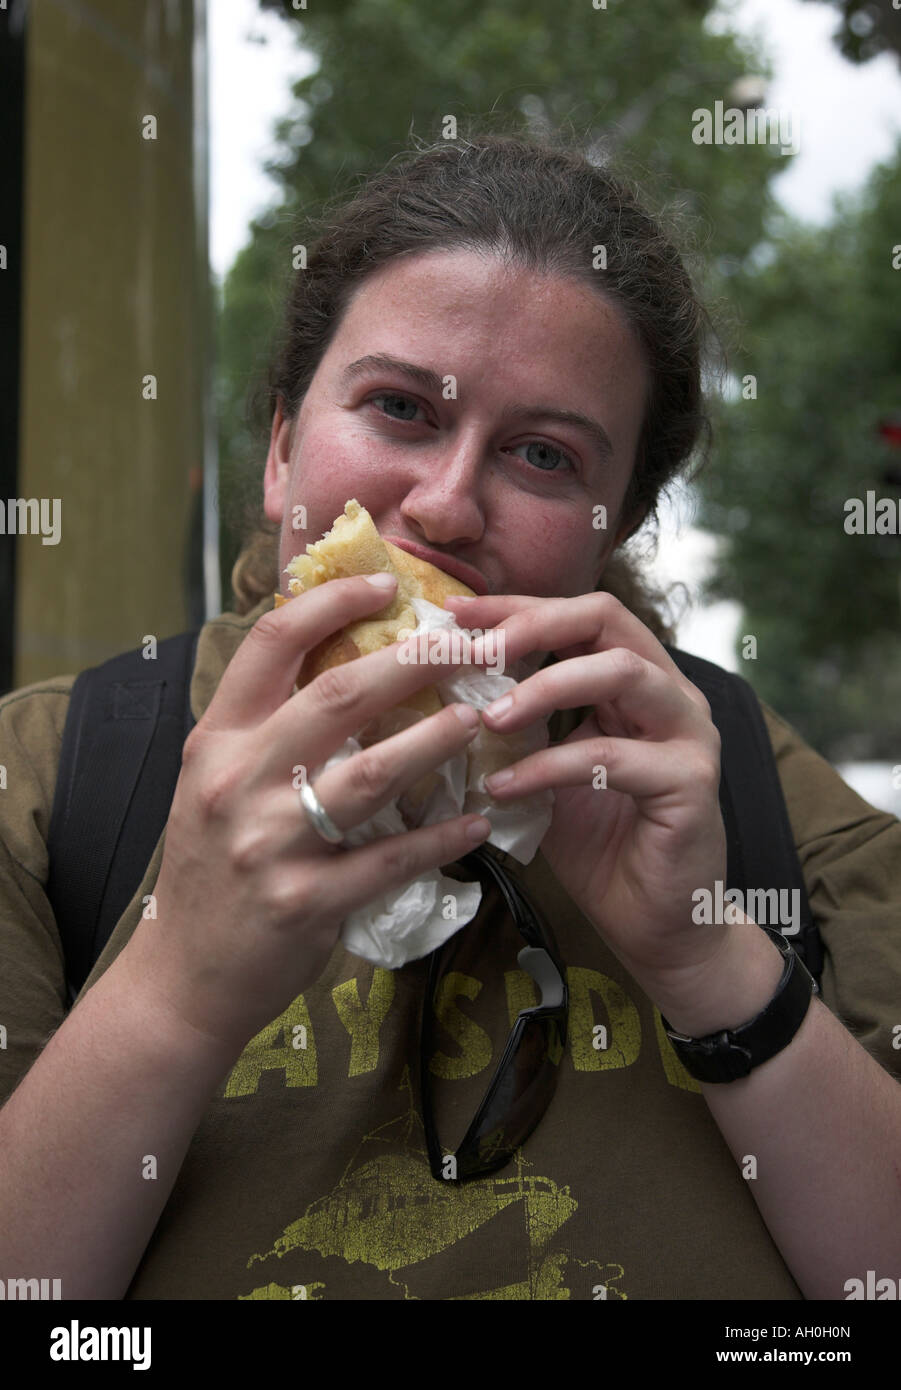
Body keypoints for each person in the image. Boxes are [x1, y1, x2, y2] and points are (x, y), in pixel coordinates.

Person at [1, 131, 900, 1303]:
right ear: (280, 452)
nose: (443, 504)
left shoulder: (760, 794)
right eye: (398, 408)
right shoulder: (54, 779)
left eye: (542, 455)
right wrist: (176, 986)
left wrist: (709, 957)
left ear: (612, 527)